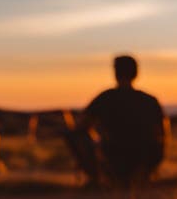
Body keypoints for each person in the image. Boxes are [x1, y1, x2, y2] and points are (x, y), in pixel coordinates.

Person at [66, 55, 167, 187]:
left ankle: (95, 178)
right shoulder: (149, 101)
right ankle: (143, 175)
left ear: (115, 73)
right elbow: (162, 134)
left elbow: (81, 126)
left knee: (74, 135)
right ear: (135, 73)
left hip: (113, 158)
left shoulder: (105, 98)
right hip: (143, 160)